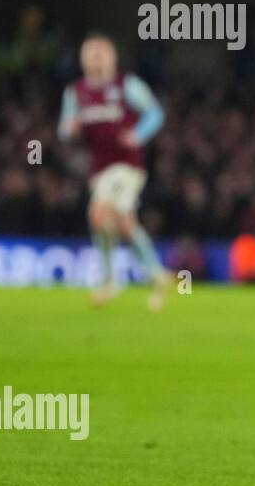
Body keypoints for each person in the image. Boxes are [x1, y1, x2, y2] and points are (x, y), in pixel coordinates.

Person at [58, 33, 171, 310]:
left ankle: (110, 280)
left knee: (97, 213)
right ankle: (156, 274)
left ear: (113, 57)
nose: (96, 57)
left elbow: (156, 113)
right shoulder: (76, 93)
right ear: (83, 59)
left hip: (127, 166)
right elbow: (62, 131)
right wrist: (69, 130)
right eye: (91, 52)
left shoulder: (127, 85)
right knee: (123, 223)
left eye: (101, 52)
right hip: (99, 169)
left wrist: (138, 134)